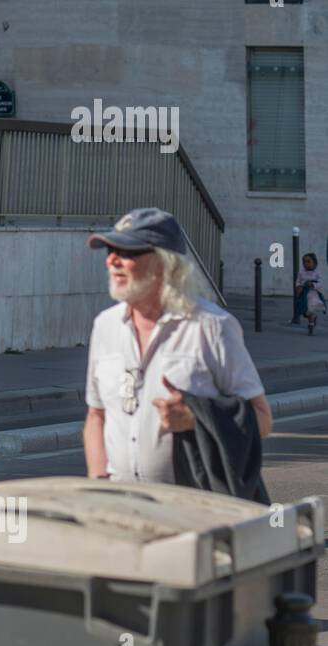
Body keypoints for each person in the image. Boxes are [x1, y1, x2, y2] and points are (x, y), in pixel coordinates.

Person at [82, 207, 273, 484]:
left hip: (189, 508)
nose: (112, 260)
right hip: (120, 509)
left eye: (127, 252)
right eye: (109, 250)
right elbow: (96, 415)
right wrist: (98, 483)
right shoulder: (105, 326)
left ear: (166, 264)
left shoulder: (212, 326)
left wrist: (197, 417)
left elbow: (263, 420)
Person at [295, 253, 324, 334]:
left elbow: (321, 284)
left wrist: (313, 284)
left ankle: (310, 324)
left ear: (314, 263)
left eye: (308, 262)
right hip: (304, 294)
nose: (305, 264)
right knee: (305, 311)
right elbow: (298, 281)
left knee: (310, 309)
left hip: (313, 294)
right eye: (304, 262)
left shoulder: (317, 273)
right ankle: (313, 318)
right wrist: (298, 287)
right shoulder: (301, 272)